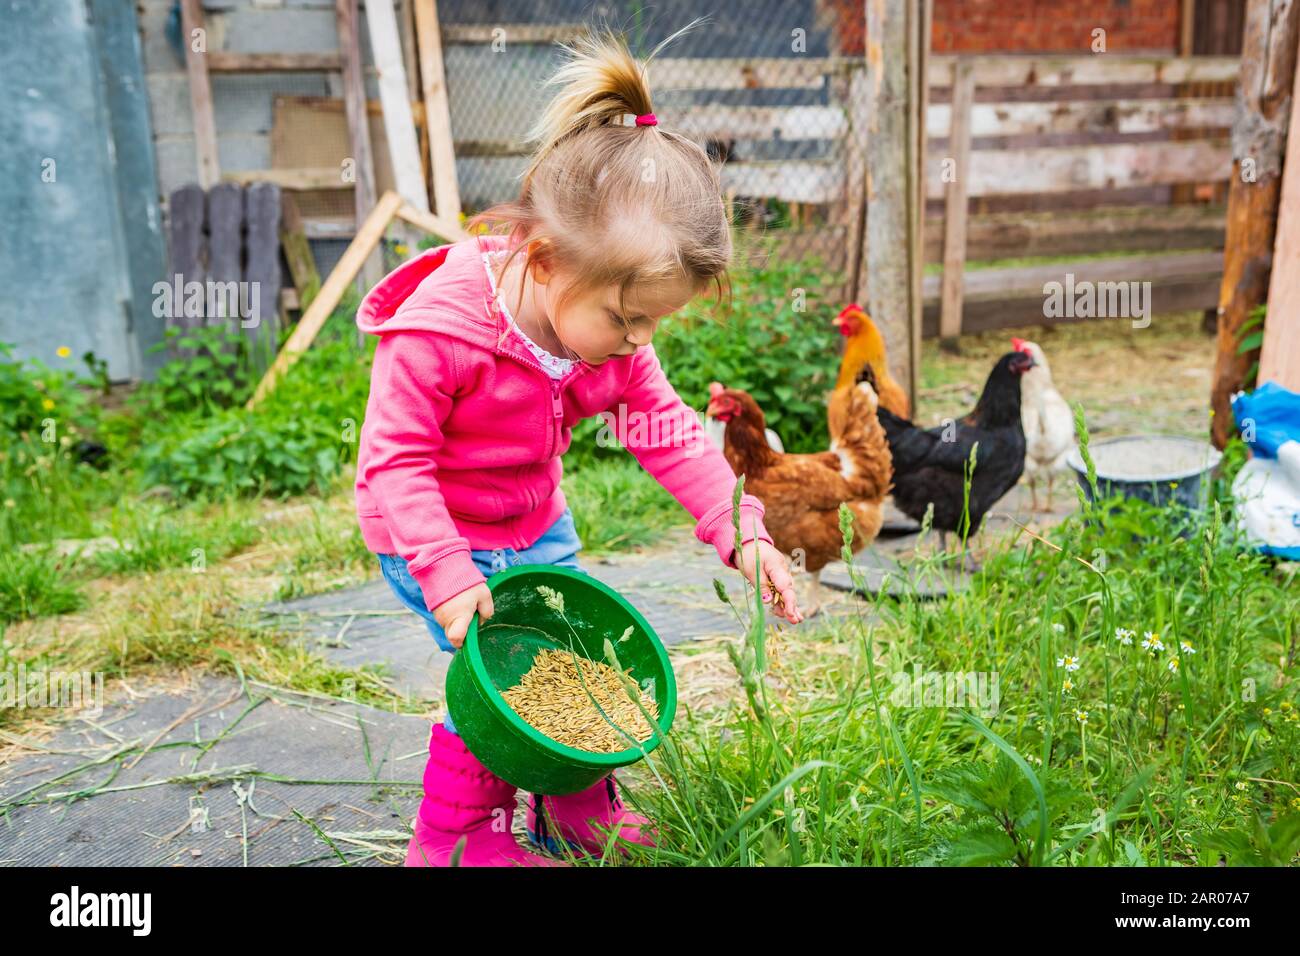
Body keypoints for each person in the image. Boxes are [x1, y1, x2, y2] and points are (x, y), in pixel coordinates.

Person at [355, 26, 802, 867]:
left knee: (578, 657)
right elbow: (395, 464)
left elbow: (668, 432)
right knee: (496, 679)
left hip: (533, 523)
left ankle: (575, 811)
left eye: (655, 323)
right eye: (628, 318)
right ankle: (456, 837)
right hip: (430, 535)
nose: (639, 341)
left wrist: (738, 524)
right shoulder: (439, 334)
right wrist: (447, 574)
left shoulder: (611, 339)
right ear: (545, 258)